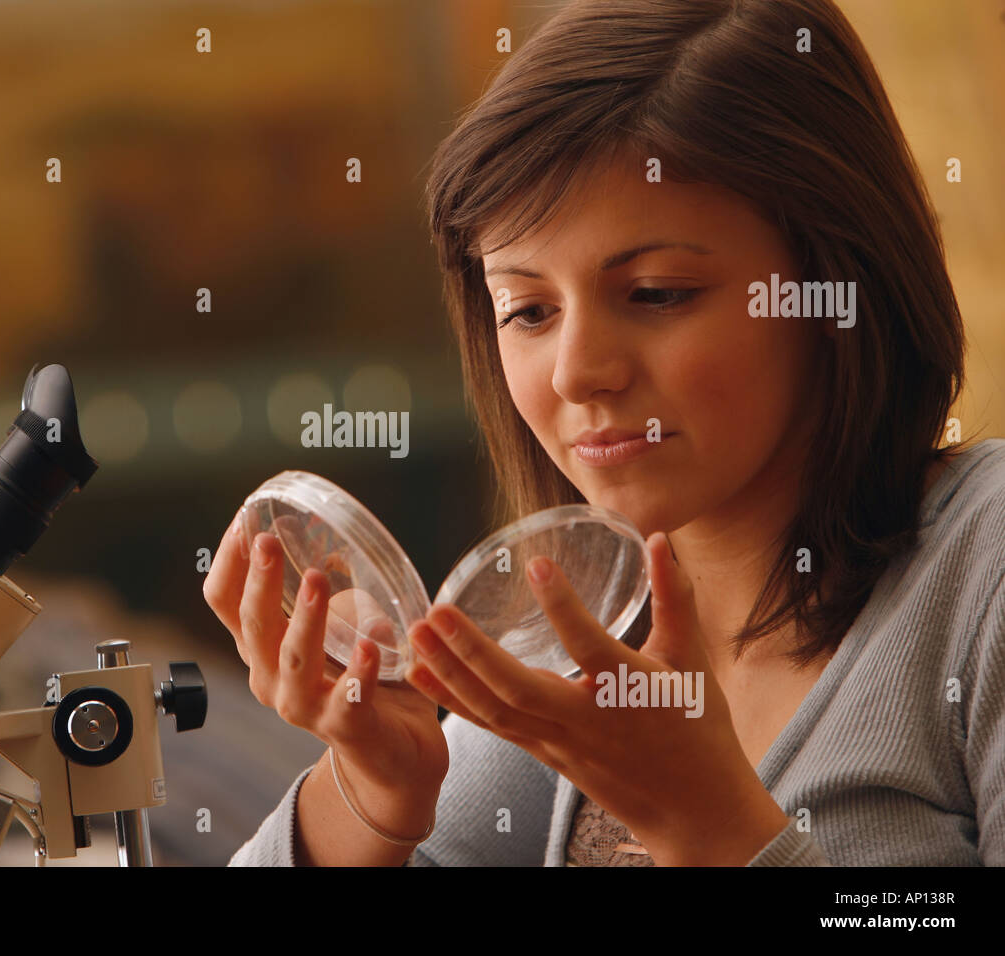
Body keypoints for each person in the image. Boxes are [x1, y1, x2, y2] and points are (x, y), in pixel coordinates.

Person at [204, 0, 1004, 866]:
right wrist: (374, 787)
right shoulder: (577, 631)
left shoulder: (980, 570)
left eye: (657, 294)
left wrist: (712, 829)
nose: (575, 371)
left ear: (834, 283)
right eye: (528, 309)